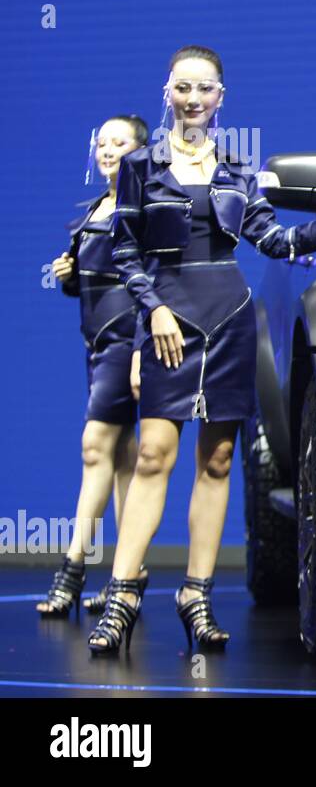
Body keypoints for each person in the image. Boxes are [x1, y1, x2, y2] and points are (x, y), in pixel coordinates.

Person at [87, 45, 316, 654]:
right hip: (169, 315)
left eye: (206, 89)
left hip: (229, 320)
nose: (193, 99)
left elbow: (271, 239)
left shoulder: (238, 169)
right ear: (167, 92)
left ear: (222, 97)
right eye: (183, 88)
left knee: (218, 461)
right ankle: (123, 595)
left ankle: (196, 594)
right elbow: (123, 252)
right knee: (153, 456)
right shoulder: (141, 164)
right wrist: (155, 309)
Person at [39, 116, 151, 618]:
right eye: (101, 143)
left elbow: (153, 286)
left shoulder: (142, 211)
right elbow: (95, 282)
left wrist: (138, 352)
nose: (107, 150)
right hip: (97, 342)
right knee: (123, 457)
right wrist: (69, 275)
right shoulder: (93, 212)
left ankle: (72, 569)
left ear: (141, 151)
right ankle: (129, 576)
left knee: (94, 447)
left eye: (119, 142)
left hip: (126, 343)